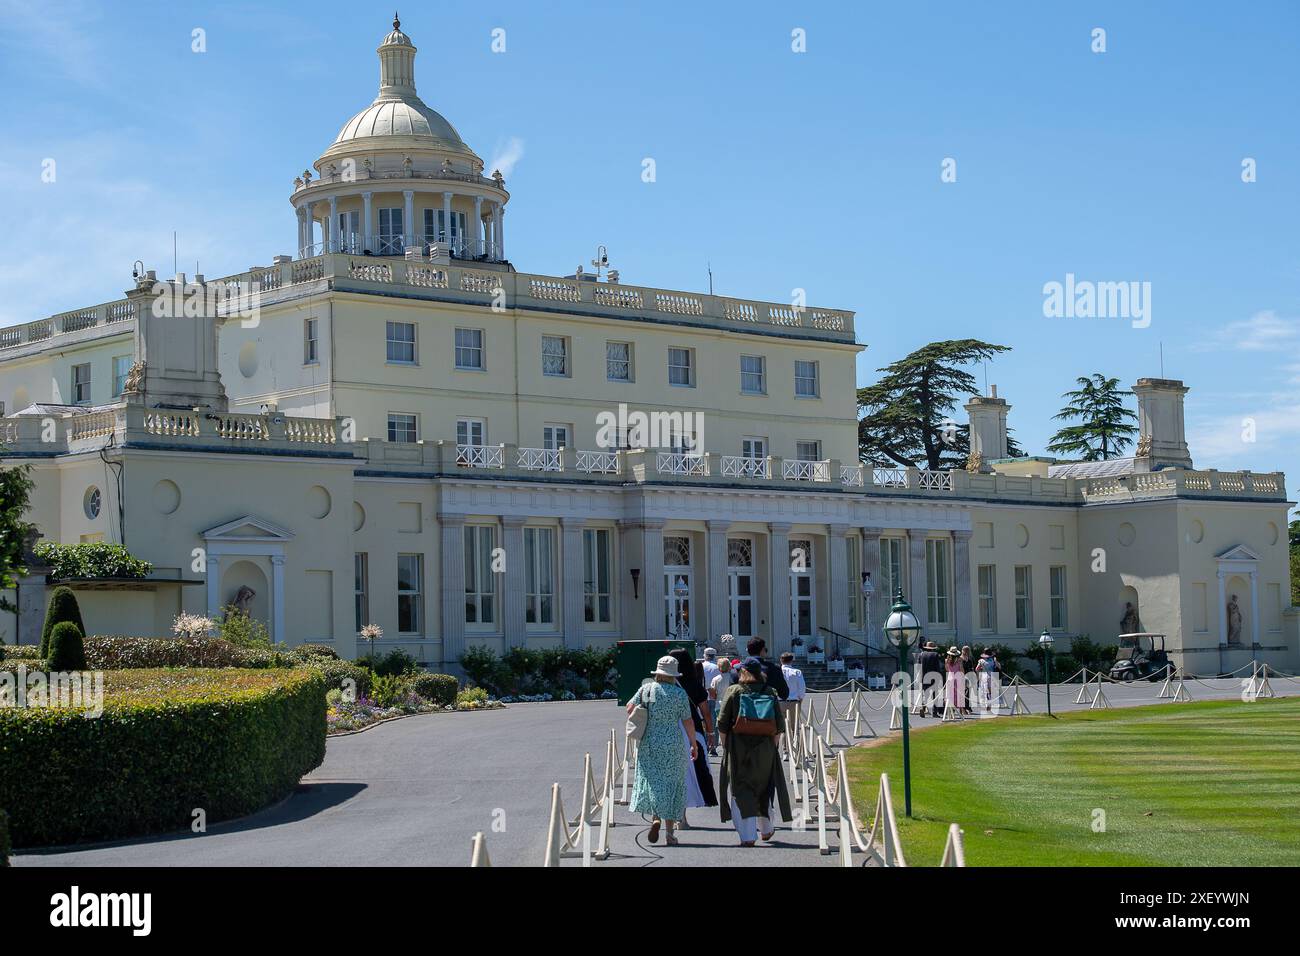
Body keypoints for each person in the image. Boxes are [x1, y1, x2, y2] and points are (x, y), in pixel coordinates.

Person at [718, 657, 793, 846]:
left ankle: (748, 835)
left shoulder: (734, 691)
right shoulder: (770, 691)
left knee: (741, 789)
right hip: (765, 747)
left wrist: (726, 744)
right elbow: (779, 725)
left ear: (742, 671)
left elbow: (722, 722)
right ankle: (766, 828)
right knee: (764, 788)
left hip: (739, 747)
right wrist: (773, 746)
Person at [625, 656, 696, 845]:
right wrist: (693, 743)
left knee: (653, 781)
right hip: (672, 742)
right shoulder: (679, 694)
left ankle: (655, 817)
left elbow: (630, 707)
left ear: (658, 673)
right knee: (671, 784)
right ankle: (670, 833)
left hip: (649, 741)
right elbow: (688, 721)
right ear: (673, 675)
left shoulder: (648, 689)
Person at [668, 648, 719, 810]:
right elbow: (706, 713)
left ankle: (676, 813)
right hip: (694, 731)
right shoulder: (694, 684)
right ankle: (692, 806)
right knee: (695, 772)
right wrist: (710, 733)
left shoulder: (666, 684)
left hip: (670, 731)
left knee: (674, 773)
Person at [708, 657, 733, 756]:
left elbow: (713, 695)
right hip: (730, 704)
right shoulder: (732, 678)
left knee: (719, 726)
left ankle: (717, 746)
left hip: (719, 705)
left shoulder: (716, 679)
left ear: (719, 668)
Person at [778, 651, 806, 730]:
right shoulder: (797, 672)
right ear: (791, 660)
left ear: (781, 660)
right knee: (793, 727)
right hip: (793, 701)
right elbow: (802, 687)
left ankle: (783, 742)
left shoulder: (777, 671)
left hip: (780, 701)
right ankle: (794, 741)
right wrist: (801, 698)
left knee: (781, 727)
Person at [917, 641, 943, 717]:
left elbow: (918, 667)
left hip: (924, 676)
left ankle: (923, 707)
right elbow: (937, 667)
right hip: (934, 676)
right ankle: (934, 713)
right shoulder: (935, 654)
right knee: (935, 694)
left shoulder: (921, 655)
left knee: (926, 694)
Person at [976, 647, 1001, 713]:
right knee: (991, 692)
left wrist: (980, 671)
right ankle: (990, 705)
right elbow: (999, 667)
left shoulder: (981, 661)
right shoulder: (993, 660)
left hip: (984, 676)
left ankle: (987, 705)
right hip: (992, 676)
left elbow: (977, 669)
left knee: (985, 692)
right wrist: (995, 661)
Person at [944, 646, 965, 714]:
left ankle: (951, 710)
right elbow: (961, 670)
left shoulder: (947, 660)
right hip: (958, 677)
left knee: (950, 694)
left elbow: (946, 669)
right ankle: (961, 710)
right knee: (959, 694)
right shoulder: (959, 660)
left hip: (950, 677)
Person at [959, 645, 975, 715]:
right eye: (965, 650)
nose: (967, 652)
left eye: (968, 650)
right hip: (963, 677)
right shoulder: (960, 659)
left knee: (968, 693)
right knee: (963, 693)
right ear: (962, 650)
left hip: (970, 677)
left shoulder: (970, 658)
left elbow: (972, 667)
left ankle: (968, 707)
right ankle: (964, 708)